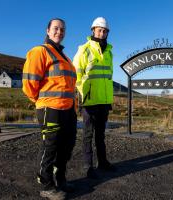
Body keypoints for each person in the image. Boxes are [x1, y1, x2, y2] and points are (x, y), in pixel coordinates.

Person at [22, 18, 77, 200]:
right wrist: (40, 101)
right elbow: (29, 83)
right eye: (55, 28)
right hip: (50, 109)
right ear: (47, 30)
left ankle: (60, 180)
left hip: (68, 110)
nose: (59, 32)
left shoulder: (66, 58)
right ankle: (46, 185)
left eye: (62, 29)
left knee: (66, 147)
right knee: (50, 147)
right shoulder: (40, 51)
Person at [73, 17, 116, 179]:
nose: (102, 33)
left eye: (105, 31)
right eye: (100, 30)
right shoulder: (84, 50)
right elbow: (76, 75)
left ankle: (103, 162)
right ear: (93, 30)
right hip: (89, 101)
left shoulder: (109, 52)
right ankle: (88, 166)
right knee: (88, 134)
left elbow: (107, 78)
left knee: (101, 134)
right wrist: (84, 93)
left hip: (104, 101)